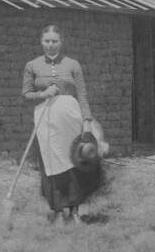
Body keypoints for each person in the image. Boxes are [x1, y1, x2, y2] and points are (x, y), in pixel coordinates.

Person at [22, 25, 102, 223]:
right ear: (41, 42)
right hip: (46, 120)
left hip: (70, 119)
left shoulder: (72, 64)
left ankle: (74, 210)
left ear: (61, 42)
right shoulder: (32, 65)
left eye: (54, 41)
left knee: (73, 163)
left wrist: (86, 121)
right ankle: (57, 210)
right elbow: (26, 95)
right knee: (51, 164)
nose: (50, 45)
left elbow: (82, 95)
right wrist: (43, 94)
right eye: (47, 41)